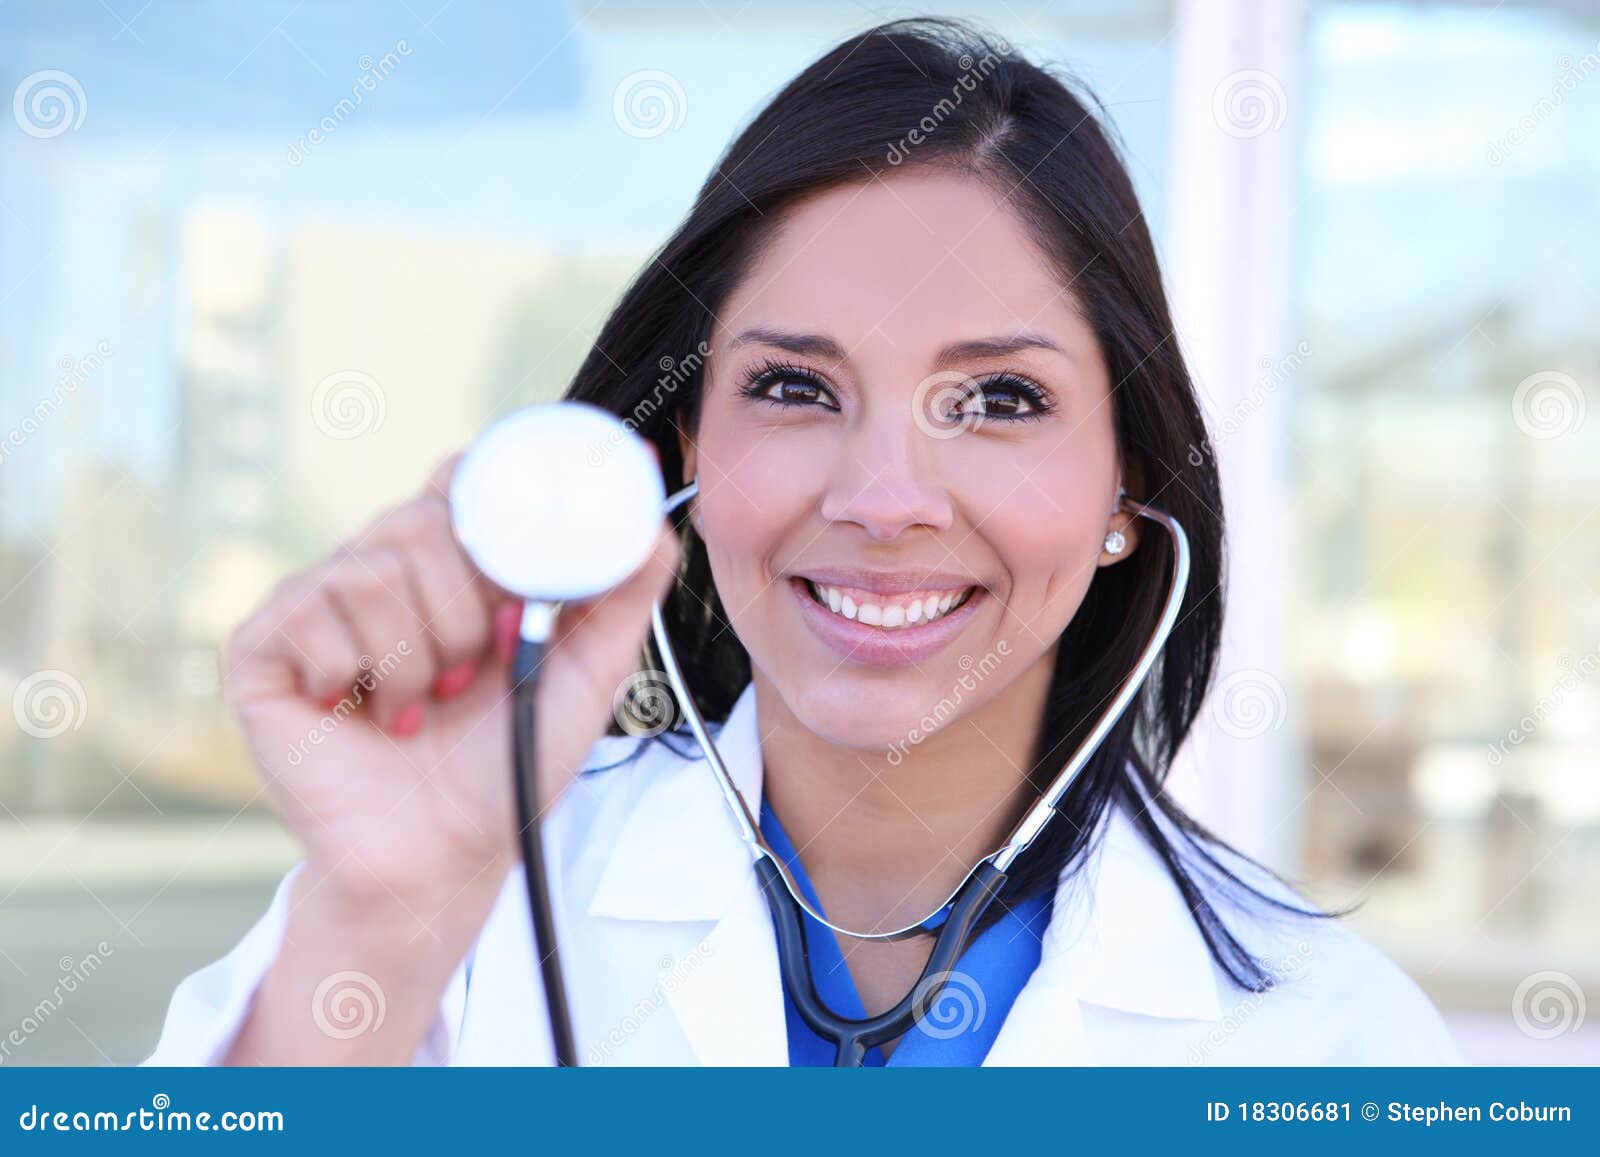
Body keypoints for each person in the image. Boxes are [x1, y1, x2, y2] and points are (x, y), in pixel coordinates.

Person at [147, 17, 1460, 1066]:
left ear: (1125, 490)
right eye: (795, 386)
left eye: (1000, 400)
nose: (885, 498)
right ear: (685, 455)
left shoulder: (1335, 1041)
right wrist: (380, 917)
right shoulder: (457, 908)